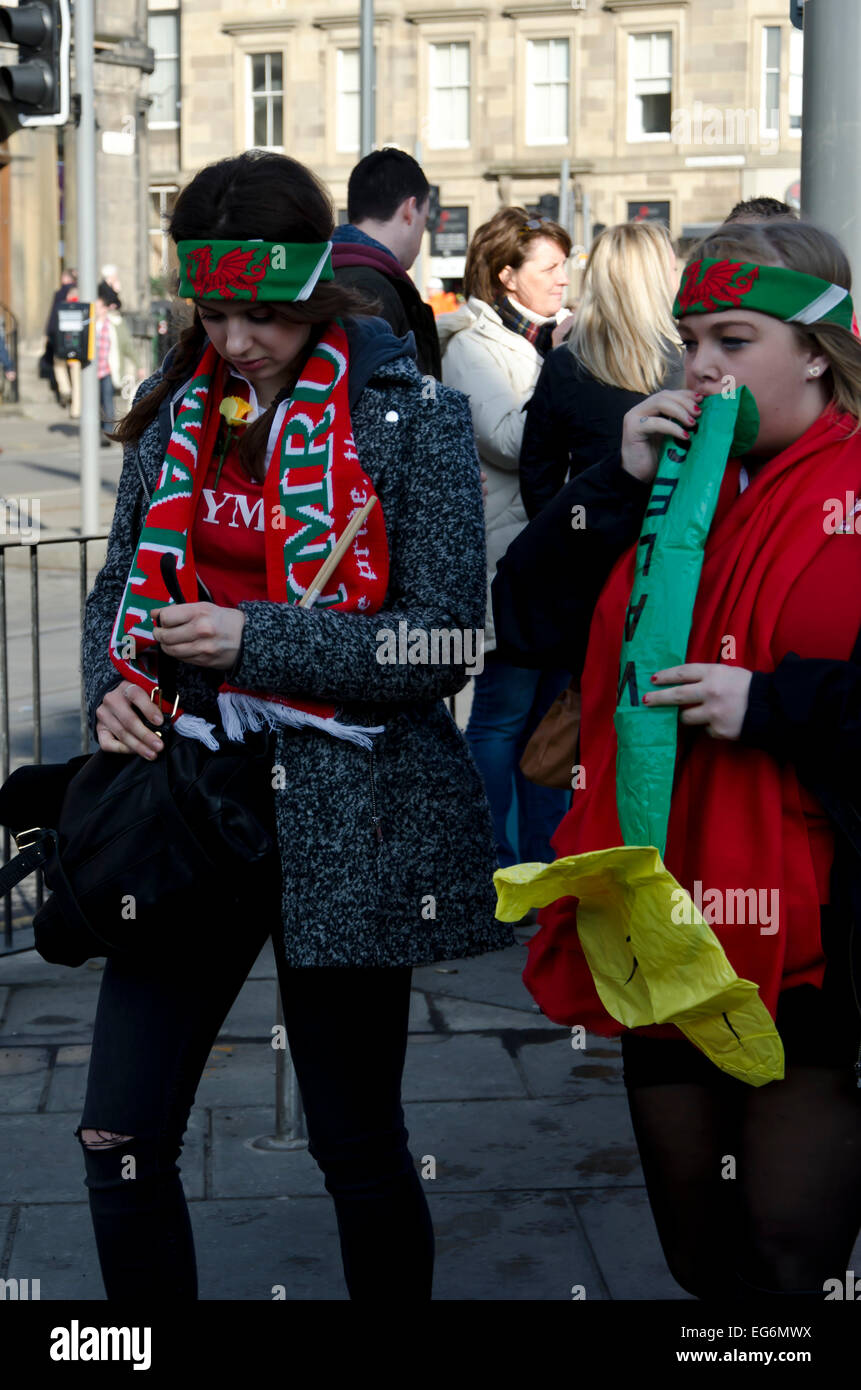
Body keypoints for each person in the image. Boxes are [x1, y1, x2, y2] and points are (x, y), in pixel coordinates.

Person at [78, 148, 512, 1302]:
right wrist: (112, 685)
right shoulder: (180, 407)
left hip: (346, 816)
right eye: (211, 311)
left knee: (357, 1145)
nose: (232, 341)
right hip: (187, 805)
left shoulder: (412, 417)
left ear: (315, 288)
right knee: (116, 1138)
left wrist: (254, 638)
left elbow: (443, 641)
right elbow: (122, 581)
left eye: (260, 314)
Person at [492, 217, 861, 1301]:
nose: (701, 365)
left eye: (734, 339)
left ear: (817, 348)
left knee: (789, 1251)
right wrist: (614, 482)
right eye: (691, 337)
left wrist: (774, 703)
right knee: (703, 1252)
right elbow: (521, 619)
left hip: (821, 927)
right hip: (662, 906)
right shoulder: (659, 469)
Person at [440, 206, 573, 870]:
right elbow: (513, 440)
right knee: (498, 719)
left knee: (552, 724)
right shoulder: (471, 346)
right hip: (508, 565)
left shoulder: (557, 340)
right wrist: (566, 385)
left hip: (559, 562)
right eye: (549, 267)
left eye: (564, 265)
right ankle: (487, 867)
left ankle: (545, 867)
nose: (562, 279)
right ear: (506, 275)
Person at [519, 221, 683, 519]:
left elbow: (538, 475)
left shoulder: (566, 362)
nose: (677, 280)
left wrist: (562, 539)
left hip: (591, 533)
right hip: (670, 538)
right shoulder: (691, 359)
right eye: (672, 270)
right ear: (656, 280)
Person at [331, 148, 441, 377]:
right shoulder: (373, 289)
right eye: (426, 219)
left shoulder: (327, 273)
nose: (423, 230)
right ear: (410, 210)